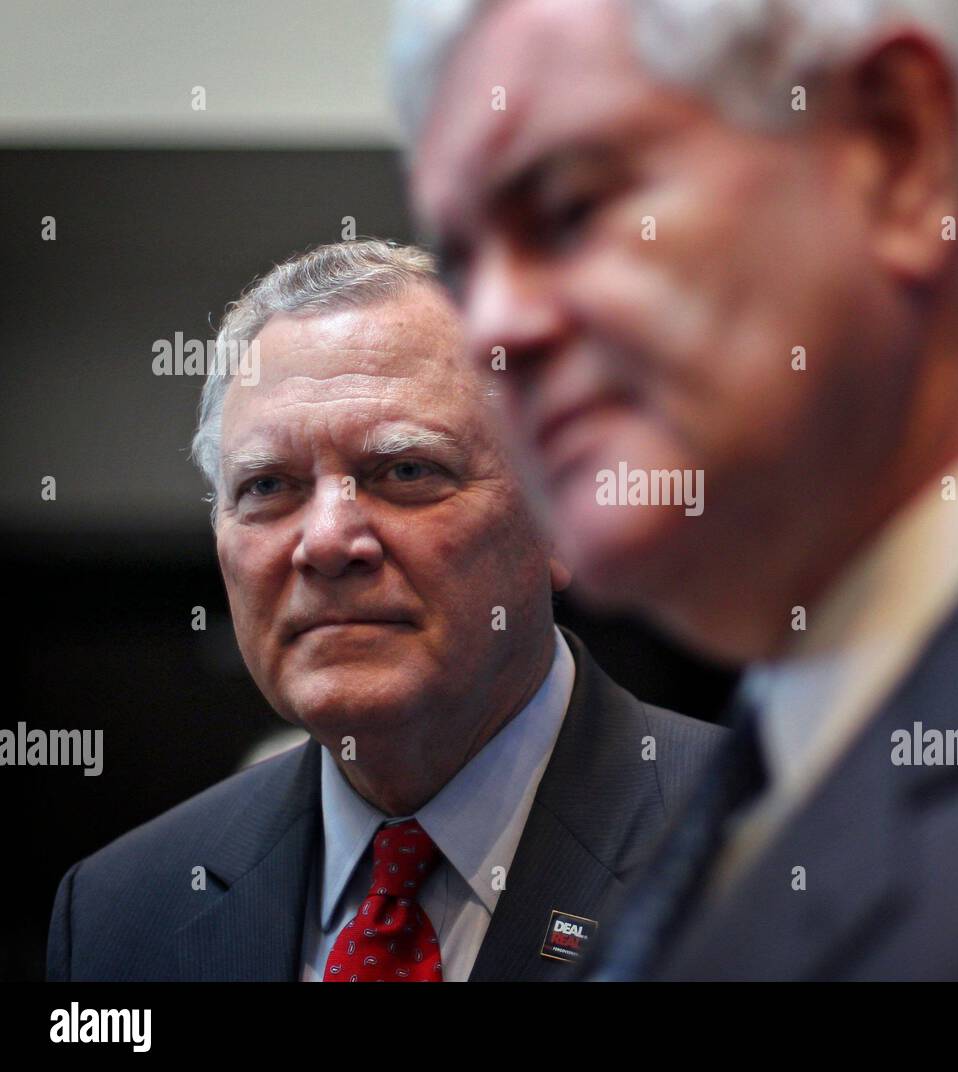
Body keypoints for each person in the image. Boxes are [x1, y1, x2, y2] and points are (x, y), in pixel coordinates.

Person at [392, 0, 958, 979]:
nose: (491, 329)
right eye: (465, 266)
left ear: (897, 153)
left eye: (569, 210)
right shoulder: (775, 755)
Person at [45, 239, 725, 982]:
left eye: (406, 471)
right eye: (269, 487)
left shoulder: (779, 838)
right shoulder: (123, 913)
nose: (328, 541)